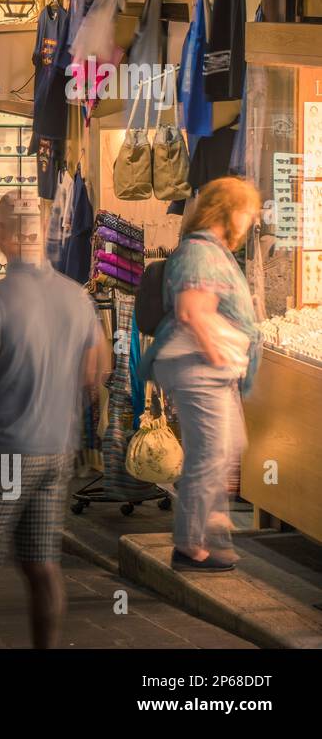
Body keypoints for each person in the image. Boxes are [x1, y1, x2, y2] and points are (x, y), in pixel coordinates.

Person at [0, 192, 109, 649]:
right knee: (42, 564)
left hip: (4, 452)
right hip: (57, 449)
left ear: (4, 236)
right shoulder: (77, 297)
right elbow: (97, 369)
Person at [140, 177, 262, 573]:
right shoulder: (200, 252)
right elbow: (193, 311)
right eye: (247, 210)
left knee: (226, 446)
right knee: (210, 452)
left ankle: (209, 522)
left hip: (209, 371)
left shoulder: (211, 251)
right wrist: (218, 358)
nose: (250, 219)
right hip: (199, 369)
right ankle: (190, 544)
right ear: (228, 211)